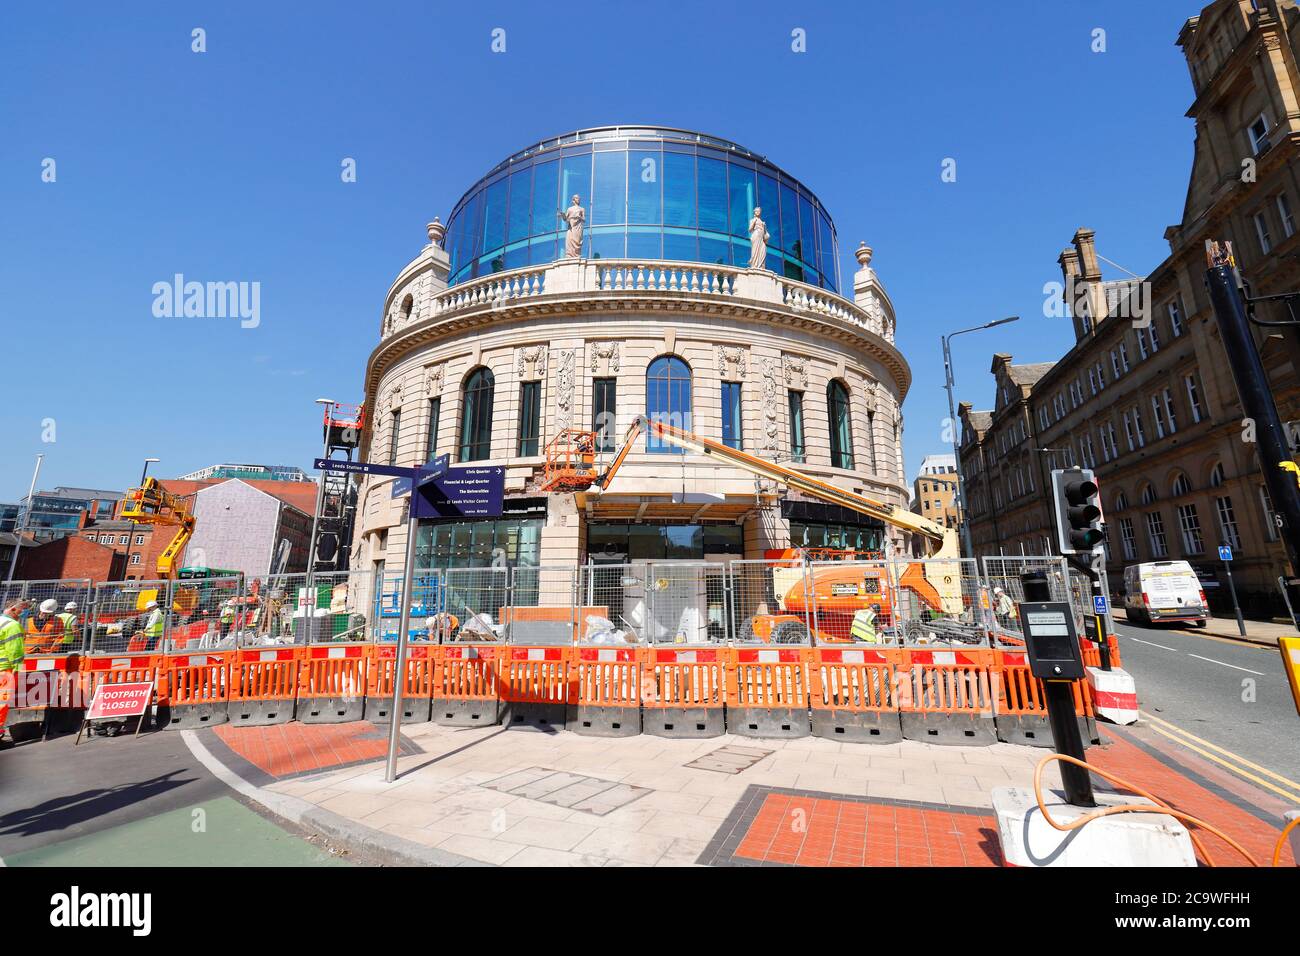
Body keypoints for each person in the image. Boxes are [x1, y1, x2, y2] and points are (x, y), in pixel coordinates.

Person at [0, 600, 27, 741]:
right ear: (12, 609)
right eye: (21, 610)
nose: (23, 613)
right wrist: (18, 670)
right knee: (2, 703)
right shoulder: (13, 626)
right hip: (5, 671)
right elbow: (15, 652)